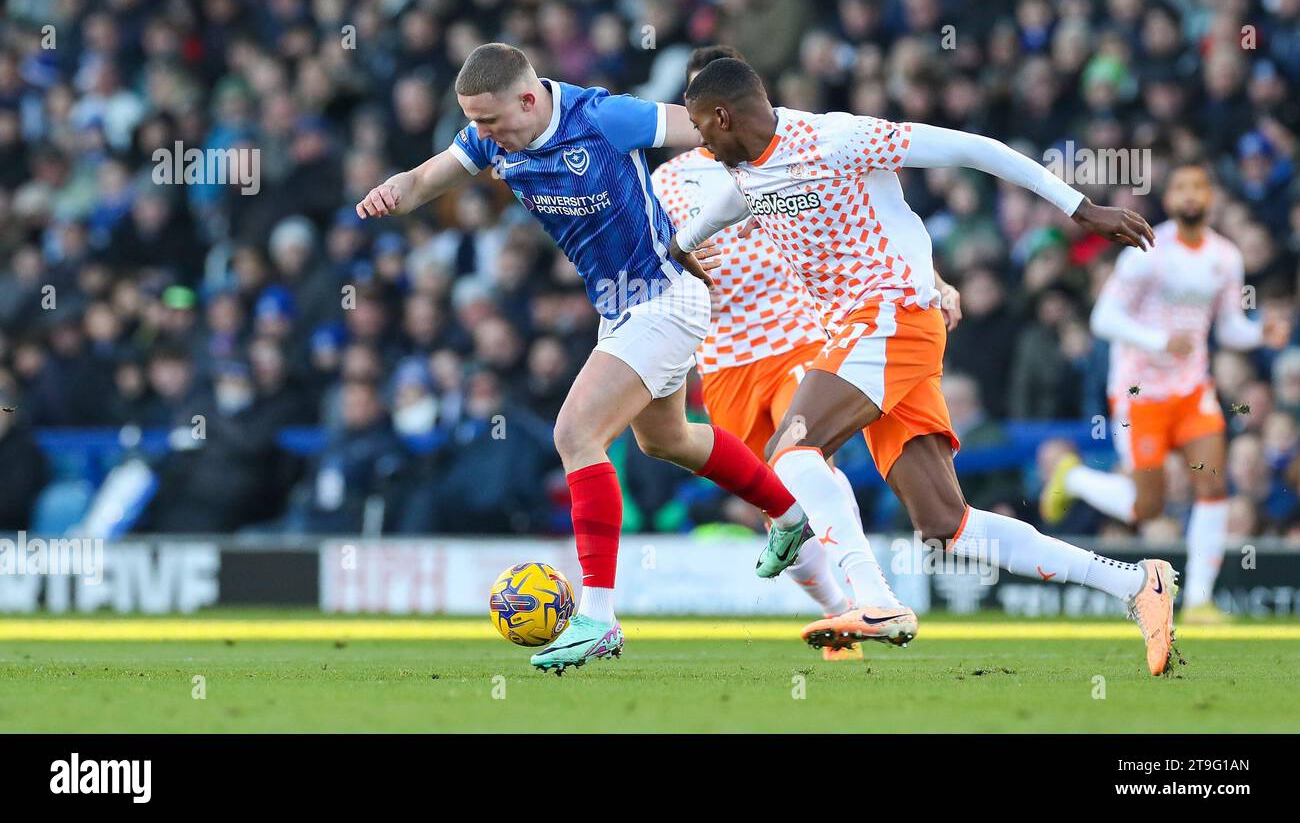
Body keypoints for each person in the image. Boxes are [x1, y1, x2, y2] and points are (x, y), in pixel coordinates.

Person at [669, 56, 1180, 676]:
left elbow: (976, 148)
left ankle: (876, 602)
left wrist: (1080, 209)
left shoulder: (836, 138)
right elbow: (707, 222)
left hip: (892, 318)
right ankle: (1136, 582)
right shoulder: (743, 173)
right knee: (946, 526)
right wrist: (674, 252)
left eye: (699, 126)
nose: (697, 139)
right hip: (870, 338)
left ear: (723, 116)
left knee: (790, 451)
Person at [355, 43, 816, 673]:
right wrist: (392, 193)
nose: (481, 134)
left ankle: (598, 618)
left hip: (665, 298)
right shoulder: (493, 138)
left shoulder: (602, 118)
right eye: (473, 121)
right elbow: (426, 181)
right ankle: (788, 514)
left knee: (576, 433)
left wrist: (791, 160)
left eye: (489, 120)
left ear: (528, 98)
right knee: (668, 440)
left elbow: (719, 123)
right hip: (622, 309)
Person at [652, 44, 963, 660]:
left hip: (800, 336)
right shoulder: (668, 181)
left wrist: (934, 281)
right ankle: (839, 615)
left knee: (805, 457)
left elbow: (862, 234)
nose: (703, 117)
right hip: (724, 360)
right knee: (779, 510)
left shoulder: (793, 154)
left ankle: (874, 594)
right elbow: (658, 264)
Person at [1040, 162, 1289, 623]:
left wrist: (1260, 334)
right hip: (1139, 392)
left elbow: (1229, 325)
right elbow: (1103, 320)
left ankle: (1197, 602)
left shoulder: (1226, 257)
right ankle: (1072, 477)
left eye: (1199, 185)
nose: (1191, 194)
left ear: (1211, 197)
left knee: (1212, 484)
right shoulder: (1146, 249)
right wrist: (1159, 342)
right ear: (1170, 199)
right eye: (1181, 186)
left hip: (1192, 391)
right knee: (1147, 504)